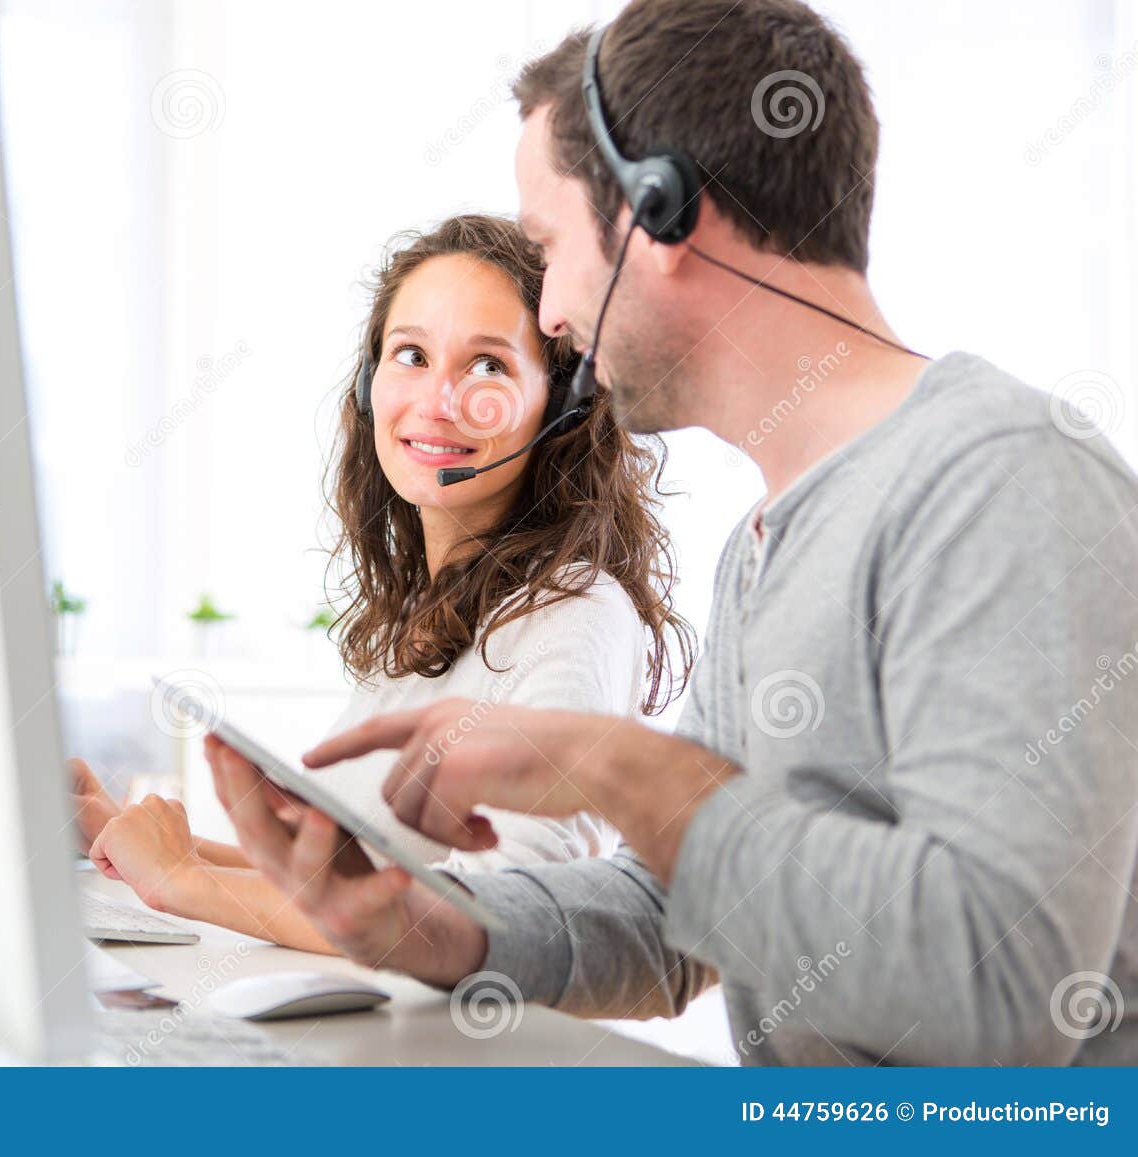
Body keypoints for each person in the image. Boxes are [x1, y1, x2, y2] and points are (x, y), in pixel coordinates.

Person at [207, 0, 1138, 1064]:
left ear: (660, 215)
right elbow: (679, 916)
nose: (552, 310)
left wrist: (625, 767)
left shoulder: (999, 481)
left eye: (551, 246)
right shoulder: (766, 539)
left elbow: (1004, 984)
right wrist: (441, 926)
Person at [71, 212, 692, 953]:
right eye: (411, 354)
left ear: (560, 411)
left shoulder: (574, 611)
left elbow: (504, 907)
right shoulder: (434, 617)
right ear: (369, 385)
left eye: (489, 364)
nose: (439, 400)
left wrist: (183, 880)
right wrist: (137, 838)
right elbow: (357, 885)